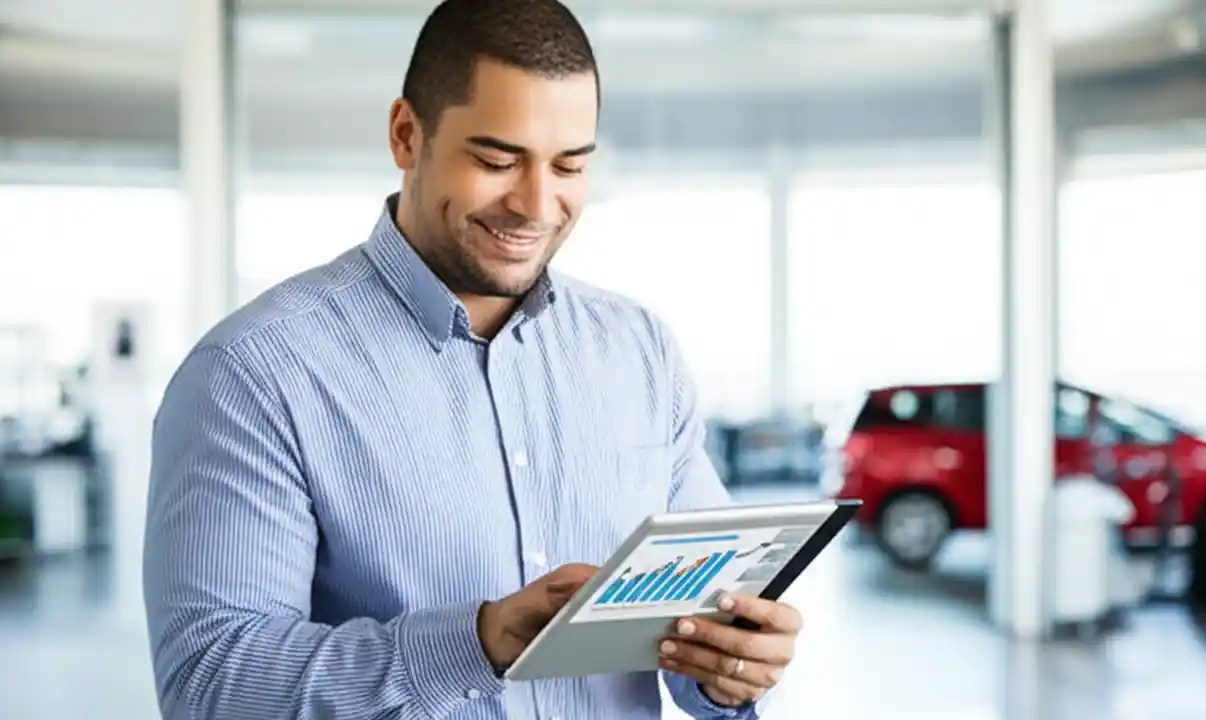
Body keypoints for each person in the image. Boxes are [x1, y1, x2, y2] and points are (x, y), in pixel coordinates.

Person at [144, 1, 801, 718]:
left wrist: (726, 668)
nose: (535, 204)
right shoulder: (254, 374)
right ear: (406, 134)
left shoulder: (640, 352)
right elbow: (210, 685)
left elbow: (699, 627)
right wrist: (477, 642)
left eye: (569, 165)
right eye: (496, 160)